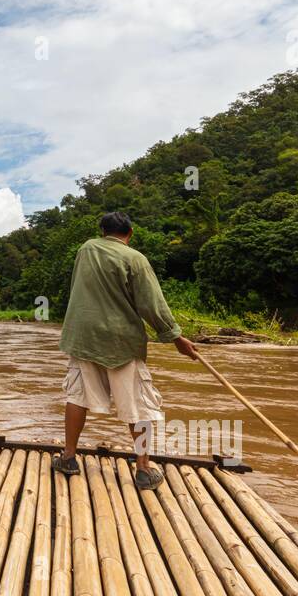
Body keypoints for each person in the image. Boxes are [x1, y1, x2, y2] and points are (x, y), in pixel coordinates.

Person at [54, 210, 199, 490]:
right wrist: (176, 337)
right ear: (130, 234)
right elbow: (151, 304)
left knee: (77, 395)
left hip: (84, 336)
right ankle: (143, 469)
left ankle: (69, 458)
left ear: (102, 231)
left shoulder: (86, 249)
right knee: (138, 405)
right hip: (122, 341)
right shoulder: (136, 259)